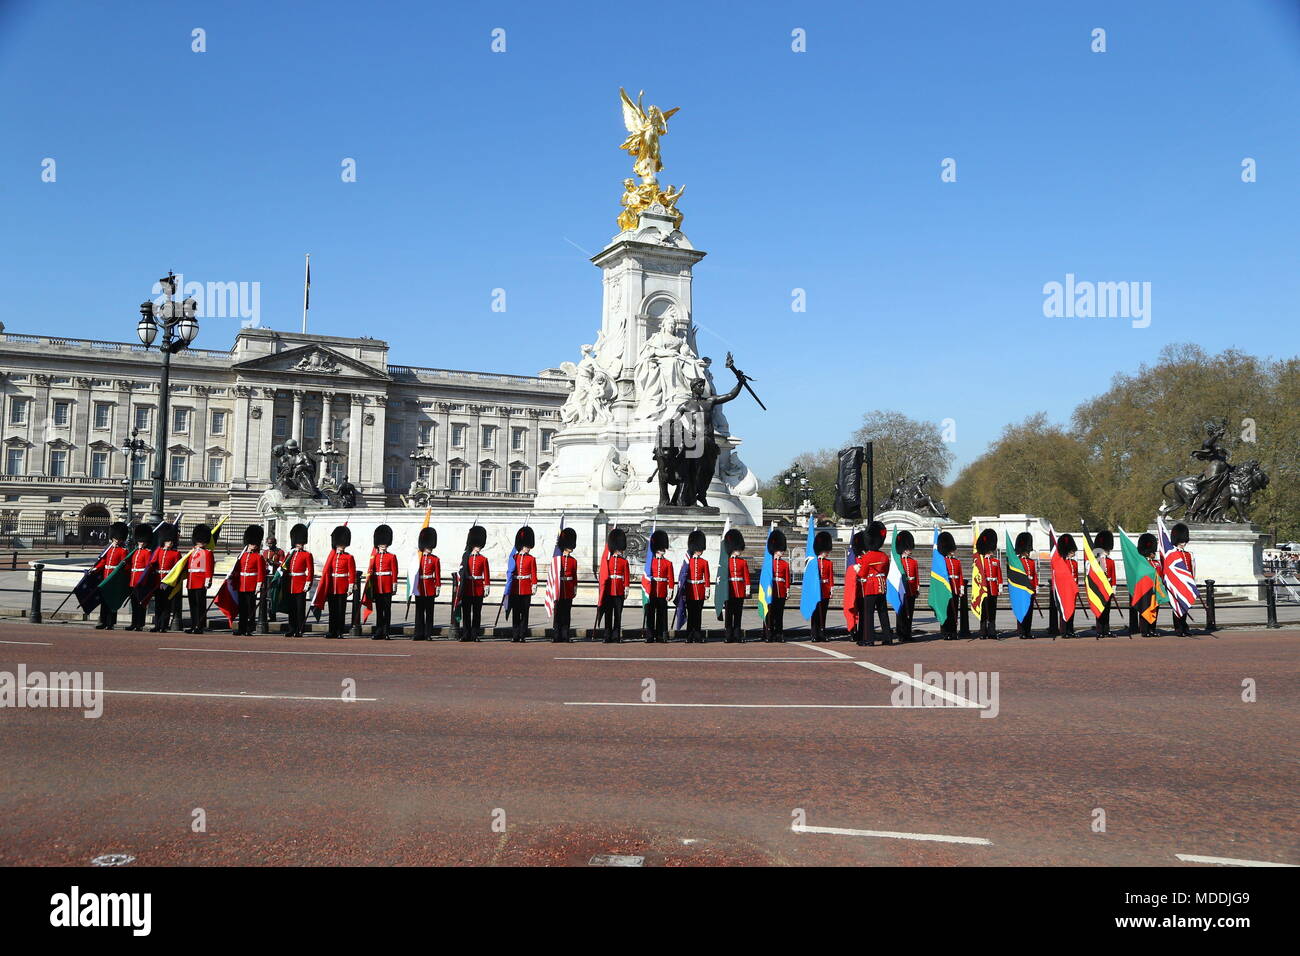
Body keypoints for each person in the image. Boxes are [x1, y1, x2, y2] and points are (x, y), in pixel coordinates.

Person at [855, 521, 891, 646]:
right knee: (883, 613)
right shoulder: (884, 556)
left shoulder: (868, 556)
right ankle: (887, 638)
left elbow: (862, 573)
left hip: (870, 586)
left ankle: (869, 639)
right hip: (881, 586)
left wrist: (857, 570)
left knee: (868, 614)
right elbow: (886, 572)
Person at [317, 525, 356, 639]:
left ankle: (339, 631)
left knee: (341, 610)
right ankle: (332, 630)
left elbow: (352, 573)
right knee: (332, 610)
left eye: (343, 544)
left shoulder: (349, 557)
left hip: (342, 586)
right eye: (340, 544)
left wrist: (350, 586)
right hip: (332, 586)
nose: (341, 546)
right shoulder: (332, 557)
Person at [94, 522, 130, 630]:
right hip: (106, 577)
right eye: (115, 538)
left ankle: (110, 623)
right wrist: (96, 568)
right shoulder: (108, 549)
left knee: (112, 602)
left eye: (118, 539)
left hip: (114, 579)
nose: (116, 541)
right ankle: (103, 621)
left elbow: (124, 566)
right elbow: (103, 561)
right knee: (104, 601)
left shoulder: (123, 551)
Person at [233, 525, 266, 636]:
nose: (253, 546)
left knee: (250, 608)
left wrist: (259, 585)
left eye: (255, 544)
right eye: (252, 543)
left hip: (252, 585)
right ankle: (241, 628)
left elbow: (261, 572)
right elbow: (237, 570)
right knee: (242, 608)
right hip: (241, 584)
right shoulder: (242, 555)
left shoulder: (258, 557)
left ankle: (249, 628)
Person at [149, 522, 182, 633]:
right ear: (164, 541)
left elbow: (177, 569)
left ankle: (164, 625)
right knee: (158, 604)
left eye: (172, 541)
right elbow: (153, 562)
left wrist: (169, 581)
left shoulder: (176, 554)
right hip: (158, 580)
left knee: (167, 605)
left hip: (168, 581)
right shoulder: (159, 551)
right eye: (168, 541)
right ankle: (157, 625)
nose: (170, 543)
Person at [460, 525, 490, 641]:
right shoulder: (466, 557)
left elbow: (486, 573)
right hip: (467, 588)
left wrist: (486, 586)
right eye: (477, 545)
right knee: (466, 613)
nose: (478, 547)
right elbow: (462, 571)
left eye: (479, 545)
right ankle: (466, 634)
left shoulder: (483, 559)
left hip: (478, 589)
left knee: (477, 613)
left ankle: (475, 634)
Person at [283, 523, 314, 638]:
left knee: (300, 608)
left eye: (301, 543)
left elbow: (310, 570)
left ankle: (300, 629)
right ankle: (291, 629)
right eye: (298, 542)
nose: (299, 545)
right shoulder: (290, 554)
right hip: (290, 583)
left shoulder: (307, 555)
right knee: (291, 609)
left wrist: (308, 583)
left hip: (300, 584)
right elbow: (284, 568)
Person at [368, 524, 398, 640]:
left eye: (385, 543)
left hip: (387, 586)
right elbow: (371, 571)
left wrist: (394, 585)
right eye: (381, 543)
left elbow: (394, 572)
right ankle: (378, 631)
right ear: (378, 544)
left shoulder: (391, 557)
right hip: (377, 586)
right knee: (379, 610)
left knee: (387, 610)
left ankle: (386, 632)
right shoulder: (374, 557)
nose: (383, 545)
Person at [600, 527, 630, 643]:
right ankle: (607, 635)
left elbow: (626, 576)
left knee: (618, 615)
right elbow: (603, 575)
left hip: (619, 591)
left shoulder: (624, 562)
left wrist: (626, 588)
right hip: (609, 590)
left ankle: (616, 636)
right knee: (608, 614)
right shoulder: (607, 561)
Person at [183, 523, 214, 634]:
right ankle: (193, 625)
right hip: (191, 581)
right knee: (193, 605)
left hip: (200, 582)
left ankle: (199, 626)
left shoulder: (207, 553)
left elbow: (209, 568)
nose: (200, 542)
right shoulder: (192, 552)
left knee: (200, 605)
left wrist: (207, 581)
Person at [1164, 523, 1194, 636]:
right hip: (1176, 585)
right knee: (1177, 608)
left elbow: (1191, 570)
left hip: (1186, 584)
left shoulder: (1188, 555)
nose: (1184, 543)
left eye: (1185, 541)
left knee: (1185, 607)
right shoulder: (1172, 555)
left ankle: (1184, 626)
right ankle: (1178, 628)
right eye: (1182, 541)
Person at [411, 526, 441, 641]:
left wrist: (438, 586)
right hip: (419, 587)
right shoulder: (417, 558)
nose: (430, 548)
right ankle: (418, 633)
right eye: (428, 546)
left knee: (429, 612)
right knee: (419, 612)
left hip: (429, 588)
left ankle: (428, 633)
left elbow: (437, 574)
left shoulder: (435, 559)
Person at [125, 523, 155, 631]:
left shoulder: (147, 553)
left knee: (140, 604)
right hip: (133, 581)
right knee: (134, 604)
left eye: (142, 541)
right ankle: (133, 623)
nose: (141, 543)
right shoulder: (135, 552)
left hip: (141, 581)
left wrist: (143, 581)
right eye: (139, 541)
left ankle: (139, 624)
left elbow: (148, 568)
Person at [974, 528, 1003, 639]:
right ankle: (982, 632)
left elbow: (999, 575)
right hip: (984, 589)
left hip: (994, 588)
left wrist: (1000, 587)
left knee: (992, 611)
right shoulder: (980, 562)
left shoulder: (996, 561)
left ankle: (992, 632)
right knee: (984, 612)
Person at [645, 529, 673, 643]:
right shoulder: (650, 562)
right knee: (650, 615)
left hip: (662, 592)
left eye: (663, 548)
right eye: (661, 548)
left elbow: (670, 578)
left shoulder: (668, 563)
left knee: (662, 615)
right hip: (652, 591)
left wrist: (670, 591)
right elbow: (646, 576)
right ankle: (650, 636)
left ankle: (661, 636)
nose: (663, 550)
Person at [682, 529, 710, 643]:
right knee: (691, 614)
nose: (700, 551)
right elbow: (683, 576)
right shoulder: (688, 561)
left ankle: (698, 635)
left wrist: (707, 590)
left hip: (700, 590)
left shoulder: (704, 562)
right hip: (690, 590)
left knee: (698, 615)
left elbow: (707, 577)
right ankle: (689, 635)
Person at [510, 525, 537, 643]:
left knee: (525, 613)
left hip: (526, 588)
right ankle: (515, 635)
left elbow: (533, 573)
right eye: (527, 546)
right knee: (515, 612)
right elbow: (510, 572)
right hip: (515, 588)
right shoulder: (514, 557)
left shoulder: (531, 559)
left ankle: (522, 635)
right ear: (522, 545)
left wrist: (534, 585)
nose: (528, 548)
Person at [723, 529, 750, 643]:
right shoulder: (726, 562)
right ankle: (728, 635)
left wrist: (747, 590)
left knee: (738, 614)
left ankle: (737, 635)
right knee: (729, 614)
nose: (740, 550)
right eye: (738, 548)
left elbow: (746, 577)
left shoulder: (742, 562)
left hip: (739, 591)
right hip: (729, 591)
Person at [552, 527, 578, 642]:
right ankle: (556, 635)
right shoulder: (557, 559)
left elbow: (574, 576)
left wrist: (575, 587)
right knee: (557, 613)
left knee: (566, 613)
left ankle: (565, 635)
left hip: (568, 588)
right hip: (559, 587)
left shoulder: (573, 561)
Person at [808, 531, 835, 642]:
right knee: (815, 613)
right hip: (815, 589)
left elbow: (830, 577)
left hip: (825, 589)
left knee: (823, 612)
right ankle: (814, 634)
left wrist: (831, 589)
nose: (827, 553)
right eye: (825, 551)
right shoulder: (813, 562)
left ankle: (822, 633)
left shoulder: (829, 563)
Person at [938, 531, 963, 640]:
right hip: (946, 589)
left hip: (955, 589)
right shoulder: (942, 561)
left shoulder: (957, 562)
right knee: (946, 611)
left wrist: (961, 588)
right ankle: (945, 632)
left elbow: (960, 576)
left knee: (954, 612)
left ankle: (953, 632)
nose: (953, 551)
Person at [766, 529, 791, 642]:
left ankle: (779, 634)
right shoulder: (769, 563)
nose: (782, 552)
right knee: (770, 614)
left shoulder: (785, 564)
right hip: (771, 591)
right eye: (781, 550)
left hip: (781, 591)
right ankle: (769, 633)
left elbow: (786, 579)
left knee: (779, 614)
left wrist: (787, 590)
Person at [1092, 530, 1118, 637]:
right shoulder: (1095, 561)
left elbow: (1113, 575)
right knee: (1099, 610)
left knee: (1107, 611)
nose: (1108, 551)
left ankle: (1106, 630)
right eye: (1106, 549)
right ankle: (1099, 630)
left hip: (1108, 588)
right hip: (1099, 588)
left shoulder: (1111, 561)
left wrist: (1113, 587)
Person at [1136, 532, 1162, 637]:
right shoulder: (1142, 563)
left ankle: (1152, 629)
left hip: (1156, 590)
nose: (1153, 554)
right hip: (1145, 590)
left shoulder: (1156, 564)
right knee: (1144, 609)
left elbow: (1161, 575)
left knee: (1154, 610)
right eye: (1151, 552)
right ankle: (1144, 630)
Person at [1055, 533, 1080, 638]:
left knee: (1072, 610)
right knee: (1064, 610)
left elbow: (1076, 577)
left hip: (1072, 589)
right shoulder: (1061, 563)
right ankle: (1064, 631)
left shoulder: (1074, 563)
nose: (1073, 553)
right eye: (1071, 551)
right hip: (1064, 590)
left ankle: (1070, 630)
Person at [896, 530, 919, 640]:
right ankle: (901, 634)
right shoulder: (898, 562)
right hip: (902, 590)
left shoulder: (913, 562)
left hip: (911, 590)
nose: (911, 550)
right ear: (904, 548)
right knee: (901, 613)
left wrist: (917, 588)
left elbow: (916, 576)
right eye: (909, 548)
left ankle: (908, 634)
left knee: (910, 613)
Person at [1014, 531, 1037, 639]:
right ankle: (1021, 631)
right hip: (1021, 590)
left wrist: (1035, 588)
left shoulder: (1031, 562)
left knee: (1029, 613)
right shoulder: (1017, 562)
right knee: (1022, 612)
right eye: (1027, 550)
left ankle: (1028, 631)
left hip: (1030, 590)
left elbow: (1034, 576)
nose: (1028, 552)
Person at [263, 535, 286, 623]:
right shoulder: (265, 552)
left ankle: (273, 615)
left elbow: (282, 565)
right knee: (267, 596)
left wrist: (274, 563)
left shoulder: (280, 552)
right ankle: (268, 614)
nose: (270, 545)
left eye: (271, 543)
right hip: (267, 576)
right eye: (268, 544)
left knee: (274, 596)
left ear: (275, 543)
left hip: (275, 577)